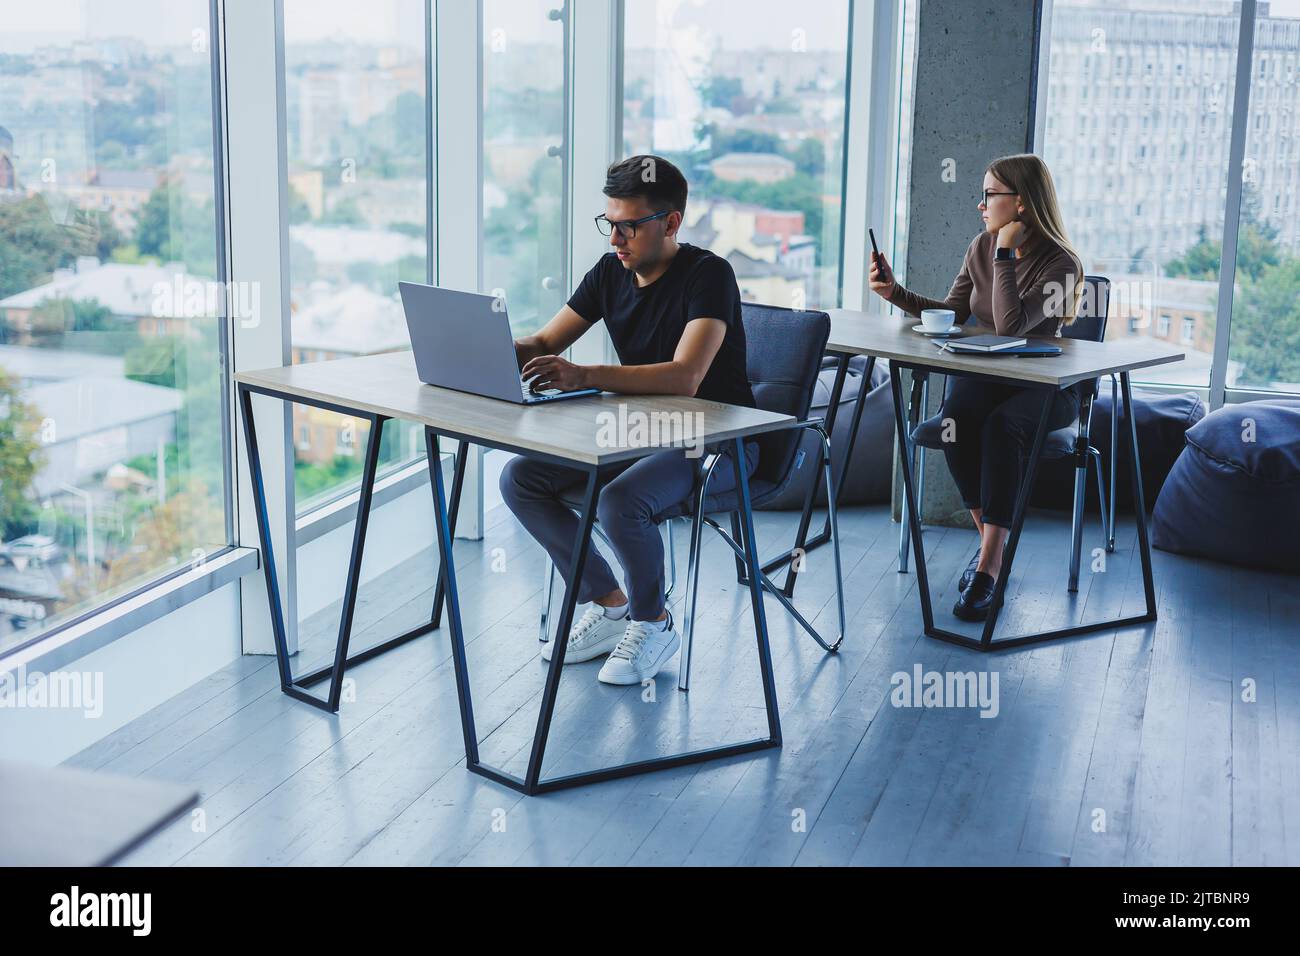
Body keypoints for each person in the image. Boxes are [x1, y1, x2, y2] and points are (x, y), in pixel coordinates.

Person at [500, 154, 758, 684]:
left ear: (670, 223)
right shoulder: (610, 273)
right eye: (610, 225)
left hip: (716, 441)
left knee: (621, 500)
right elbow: (546, 342)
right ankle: (612, 605)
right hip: (639, 433)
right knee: (521, 478)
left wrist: (583, 375)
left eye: (629, 227)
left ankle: (654, 621)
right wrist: (483, 349)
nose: (616, 240)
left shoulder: (709, 275)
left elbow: (686, 377)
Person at [869, 153, 1084, 621]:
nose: (981, 205)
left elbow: (1011, 328)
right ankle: (994, 546)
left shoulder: (1062, 264)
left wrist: (1005, 252)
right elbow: (953, 313)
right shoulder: (980, 246)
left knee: (1002, 428)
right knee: (955, 422)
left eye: (990, 195)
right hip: (989, 377)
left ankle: (987, 564)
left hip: (1047, 389)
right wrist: (896, 293)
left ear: (1022, 203)